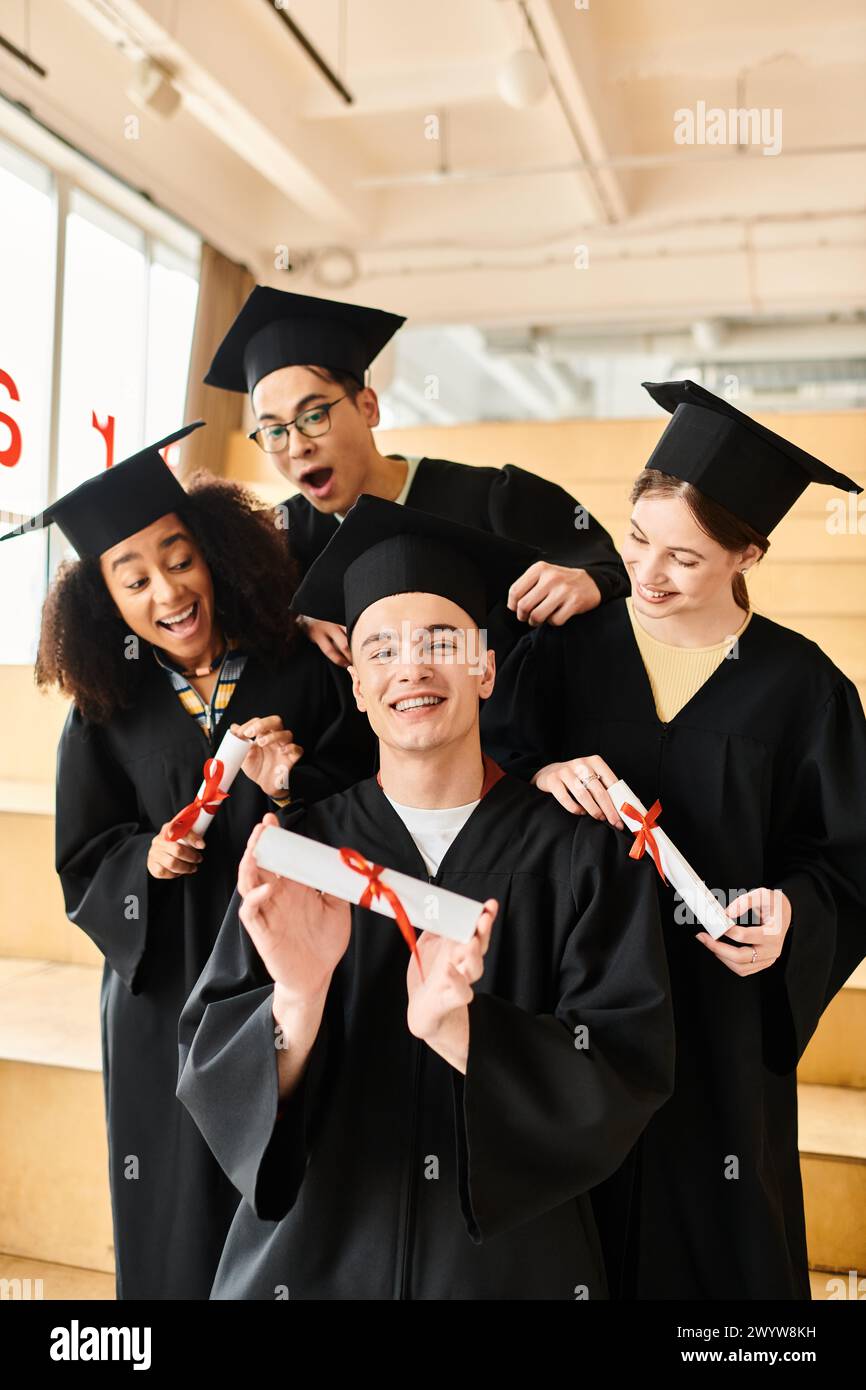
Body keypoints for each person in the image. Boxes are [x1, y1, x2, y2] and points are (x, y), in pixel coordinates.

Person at [176, 496, 675, 1300]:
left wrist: (468, 1033)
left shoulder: (583, 854)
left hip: (506, 1270)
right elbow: (208, 1063)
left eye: (441, 641)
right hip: (314, 1257)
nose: (411, 667)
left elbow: (627, 1065)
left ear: (486, 667)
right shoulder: (302, 855)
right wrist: (297, 1004)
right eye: (382, 650)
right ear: (360, 685)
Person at [481, 379, 866, 1300]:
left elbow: (847, 859)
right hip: (576, 997)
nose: (649, 575)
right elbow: (488, 770)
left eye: (685, 559)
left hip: (716, 1017)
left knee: (721, 1233)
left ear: (750, 554)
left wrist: (792, 917)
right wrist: (534, 775)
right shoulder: (569, 650)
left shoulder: (802, 688)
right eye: (637, 539)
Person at [2, 423, 372, 1299]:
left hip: (288, 967)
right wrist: (149, 861)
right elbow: (85, 858)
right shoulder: (106, 709)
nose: (166, 590)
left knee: (301, 1175)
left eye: (179, 559)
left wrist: (295, 784)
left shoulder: (302, 667)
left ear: (216, 555)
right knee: (173, 1195)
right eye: (134, 579)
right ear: (106, 603)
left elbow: (366, 806)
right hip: (166, 982)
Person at [204, 285, 629, 666]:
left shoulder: (490, 499)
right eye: (275, 430)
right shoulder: (278, 545)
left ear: (368, 406)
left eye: (314, 416)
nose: (297, 446)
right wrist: (295, 618)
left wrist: (590, 580)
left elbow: (608, 569)